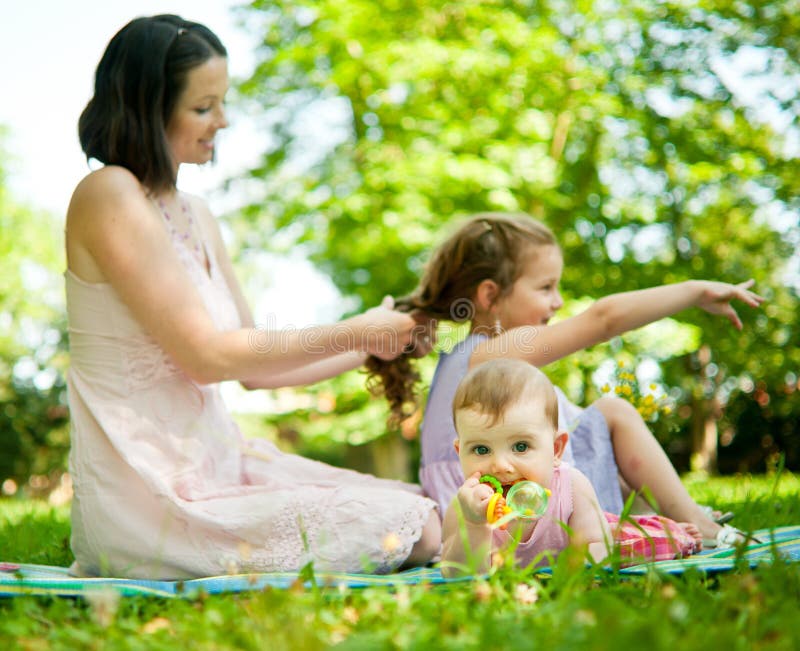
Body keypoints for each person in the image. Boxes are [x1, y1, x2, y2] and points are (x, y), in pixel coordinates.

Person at [65, 14, 440, 580]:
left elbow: (255, 371)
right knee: (417, 527)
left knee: (424, 499)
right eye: (203, 106)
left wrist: (380, 344)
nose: (224, 119)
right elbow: (208, 356)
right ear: (147, 107)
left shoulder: (197, 214)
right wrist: (357, 329)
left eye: (222, 102)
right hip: (151, 497)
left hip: (225, 468)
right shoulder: (108, 193)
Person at [367, 213, 764, 547]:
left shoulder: (478, 361)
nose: (557, 301)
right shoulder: (487, 352)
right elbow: (602, 320)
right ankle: (700, 526)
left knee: (576, 427)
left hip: (500, 506)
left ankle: (663, 516)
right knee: (612, 412)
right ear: (490, 296)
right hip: (509, 513)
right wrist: (693, 291)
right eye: (545, 287)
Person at [441, 359, 701, 577]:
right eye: (481, 450)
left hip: (597, 534)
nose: (499, 465)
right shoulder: (464, 507)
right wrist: (475, 524)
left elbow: (596, 551)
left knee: (633, 543)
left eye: (520, 447)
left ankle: (674, 531)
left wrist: (574, 577)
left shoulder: (572, 487)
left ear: (555, 450)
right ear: (459, 452)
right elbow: (458, 575)